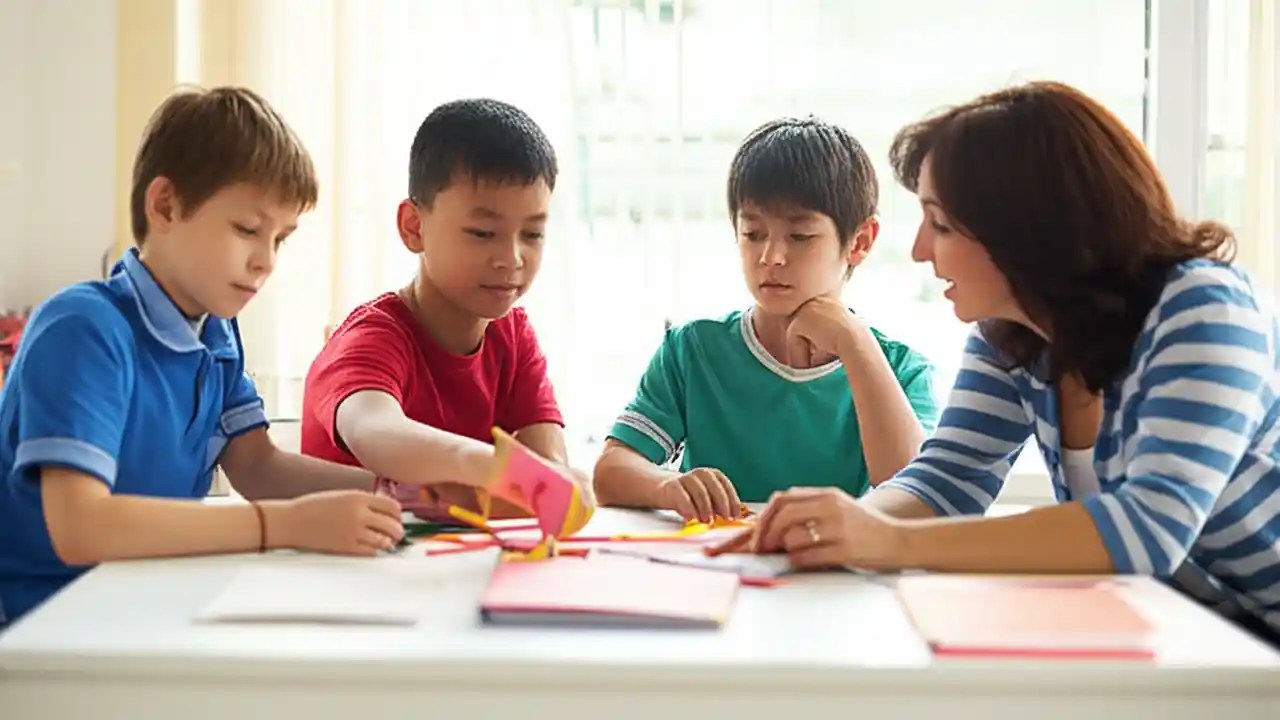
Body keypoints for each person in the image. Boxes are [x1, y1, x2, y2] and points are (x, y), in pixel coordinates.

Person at [717, 81, 1280, 643]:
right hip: (1211, 644)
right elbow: (946, 482)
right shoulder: (1013, 337)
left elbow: (1148, 528)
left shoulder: (1203, 312)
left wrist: (886, 540)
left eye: (940, 224)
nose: (918, 249)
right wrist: (832, 526)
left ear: (1026, 229)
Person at [0, 86, 403, 627]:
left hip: (144, 604)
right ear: (165, 205)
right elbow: (82, 528)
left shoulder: (217, 333)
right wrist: (282, 526)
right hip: (41, 629)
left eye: (280, 239)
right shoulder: (84, 327)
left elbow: (259, 467)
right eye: (247, 230)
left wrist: (403, 492)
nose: (265, 261)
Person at [593, 117, 939, 522]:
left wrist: (854, 343)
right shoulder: (692, 350)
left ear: (860, 241)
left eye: (800, 236)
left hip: (837, 576)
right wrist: (666, 485)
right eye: (753, 234)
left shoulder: (901, 369)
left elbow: (919, 495)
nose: (770, 257)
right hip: (714, 566)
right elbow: (609, 473)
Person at [301, 98, 592, 518]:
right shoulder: (373, 336)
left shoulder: (512, 333)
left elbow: (547, 470)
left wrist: (554, 482)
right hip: (352, 568)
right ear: (413, 227)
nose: (511, 258)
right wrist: (495, 470)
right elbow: (373, 430)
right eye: (482, 232)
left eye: (532, 234)